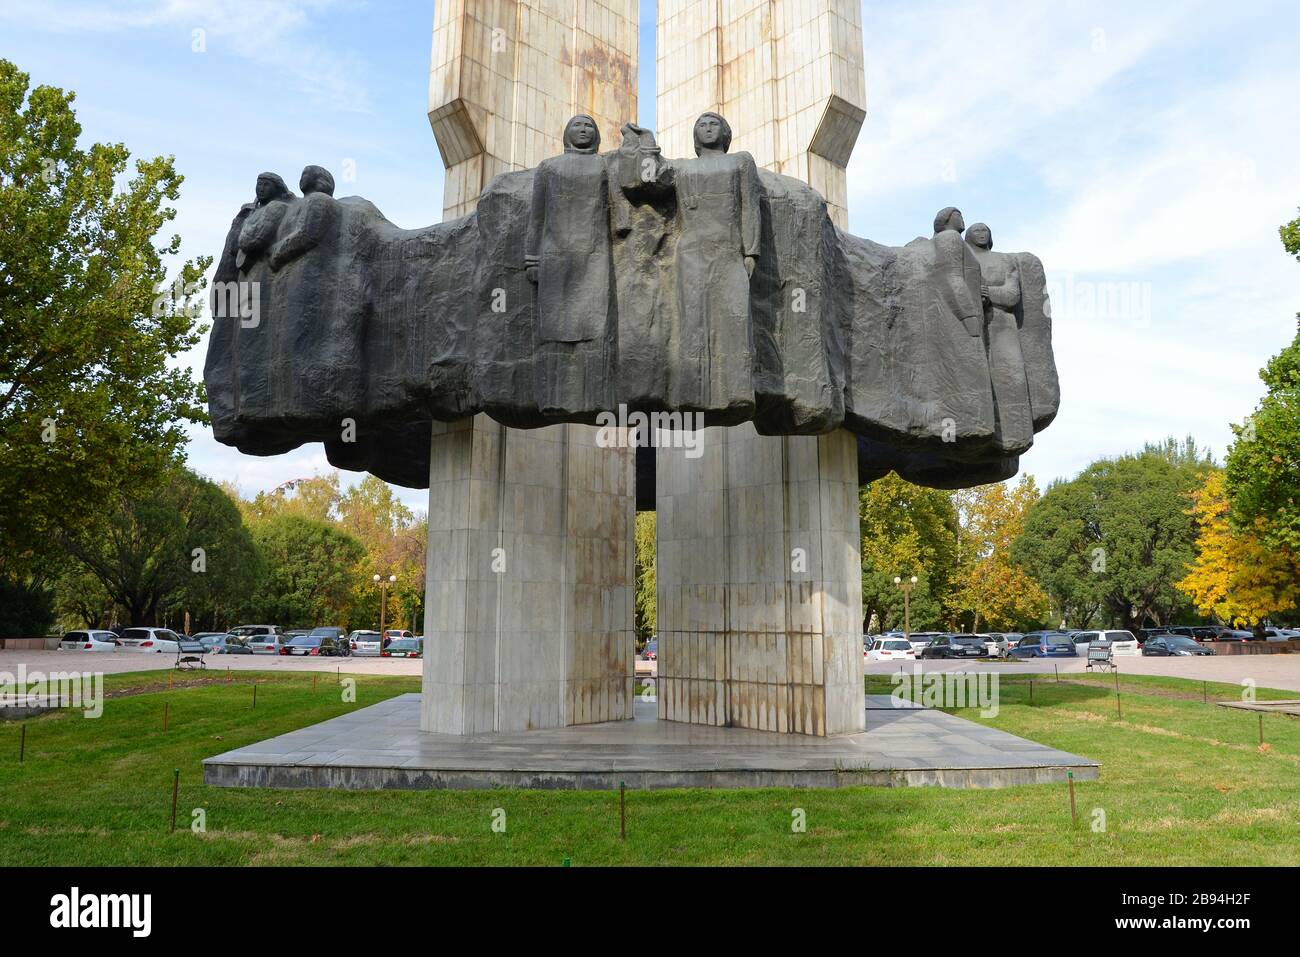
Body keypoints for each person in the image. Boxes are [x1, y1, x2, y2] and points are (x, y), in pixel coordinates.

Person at [665, 112, 761, 417]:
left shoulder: (741, 162)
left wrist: (752, 251)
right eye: (701, 125)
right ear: (695, 136)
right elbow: (650, 177)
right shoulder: (681, 167)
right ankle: (691, 391)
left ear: (725, 132)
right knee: (692, 322)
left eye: (713, 123)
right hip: (691, 252)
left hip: (728, 250)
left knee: (733, 319)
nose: (708, 128)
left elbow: (750, 206)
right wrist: (639, 144)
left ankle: (734, 391)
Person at [526, 115, 615, 415]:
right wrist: (532, 258)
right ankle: (552, 395)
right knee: (554, 329)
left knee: (593, 328)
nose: (584, 129)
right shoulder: (548, 168)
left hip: (594, 257)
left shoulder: (604, 166)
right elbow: (536, 217)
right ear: (566, 133)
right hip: (556, 258)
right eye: (578, 125)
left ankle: (594, 397)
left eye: (589, 125)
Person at [965, 222, 1033, 454]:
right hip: (971, 323)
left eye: (985, 230)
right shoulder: (964, 261)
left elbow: (1012, 295)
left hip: (1003, 324)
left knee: (1011, 374)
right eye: (976, 230)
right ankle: (984, 428)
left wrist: (989, 293)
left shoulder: (1005, 261)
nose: (981, 233)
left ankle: (1016, 431)